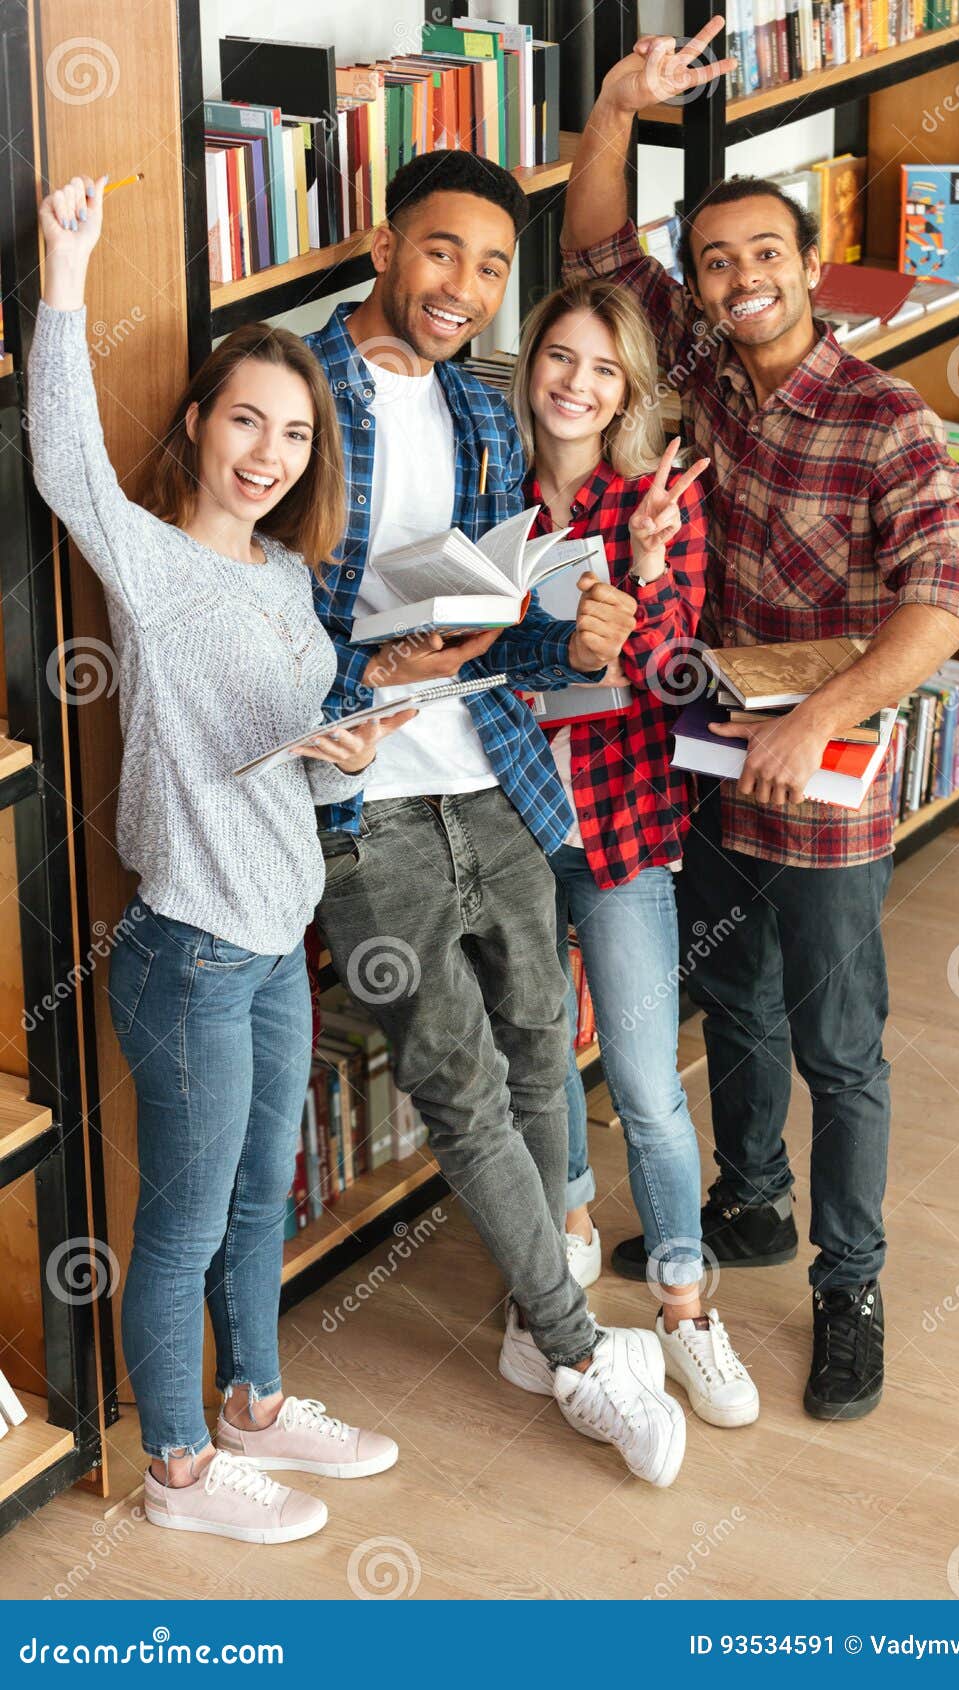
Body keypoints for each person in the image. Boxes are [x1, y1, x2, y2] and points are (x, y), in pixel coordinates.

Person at [560, 20, 959, 1420]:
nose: (738, 280)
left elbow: (949, 597)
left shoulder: (884, 422)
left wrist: (820, 718)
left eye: (763, 255)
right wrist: (618, 105)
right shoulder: (684, 367)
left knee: (837, 1046)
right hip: (695, 778)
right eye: (711, 260)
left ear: (808, 267)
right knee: (729, 1011)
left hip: (820, 794)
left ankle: (846, 1284)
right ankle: (746, 1205)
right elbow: (588, 258)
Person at [29, 174, 415, 1545]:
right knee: (185, 1218)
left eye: (293, 432)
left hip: (274, 928)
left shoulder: (281, 576)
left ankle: (252, 1396)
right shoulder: (150, 564)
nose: (266, 451)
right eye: (244, 418)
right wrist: (65, 267)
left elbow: (285, 725)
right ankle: (179, 1471)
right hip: (190, 943)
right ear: (195, 423)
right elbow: (64, 458)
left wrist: (343, 745)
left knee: (262, 1188)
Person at [305, 149, 686, 1488]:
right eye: (438, 252)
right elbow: (257, 639)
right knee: (455, 1081)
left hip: (498, 777)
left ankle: (534, 1326)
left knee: (539, 1051)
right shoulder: (298, 397)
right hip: (367, 807)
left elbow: (492, 639)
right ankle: (582, 1357)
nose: (461, 286)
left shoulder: (478, 415)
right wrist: (373, 673)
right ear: (378, 241)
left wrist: (576, 639)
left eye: (487, 266)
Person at [510, 278, 758, 1429]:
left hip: (618, 830)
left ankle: (680, 1304)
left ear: (627, 392)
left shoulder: (651, 500)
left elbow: (666, 681)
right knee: (538, 1064)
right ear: (532, 366)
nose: (576, 383)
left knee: (649, 1089)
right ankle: (557, 1268)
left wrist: (649, 572)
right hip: (509, 825)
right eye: (560, 357)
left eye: (603, 369)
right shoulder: (490, 494)